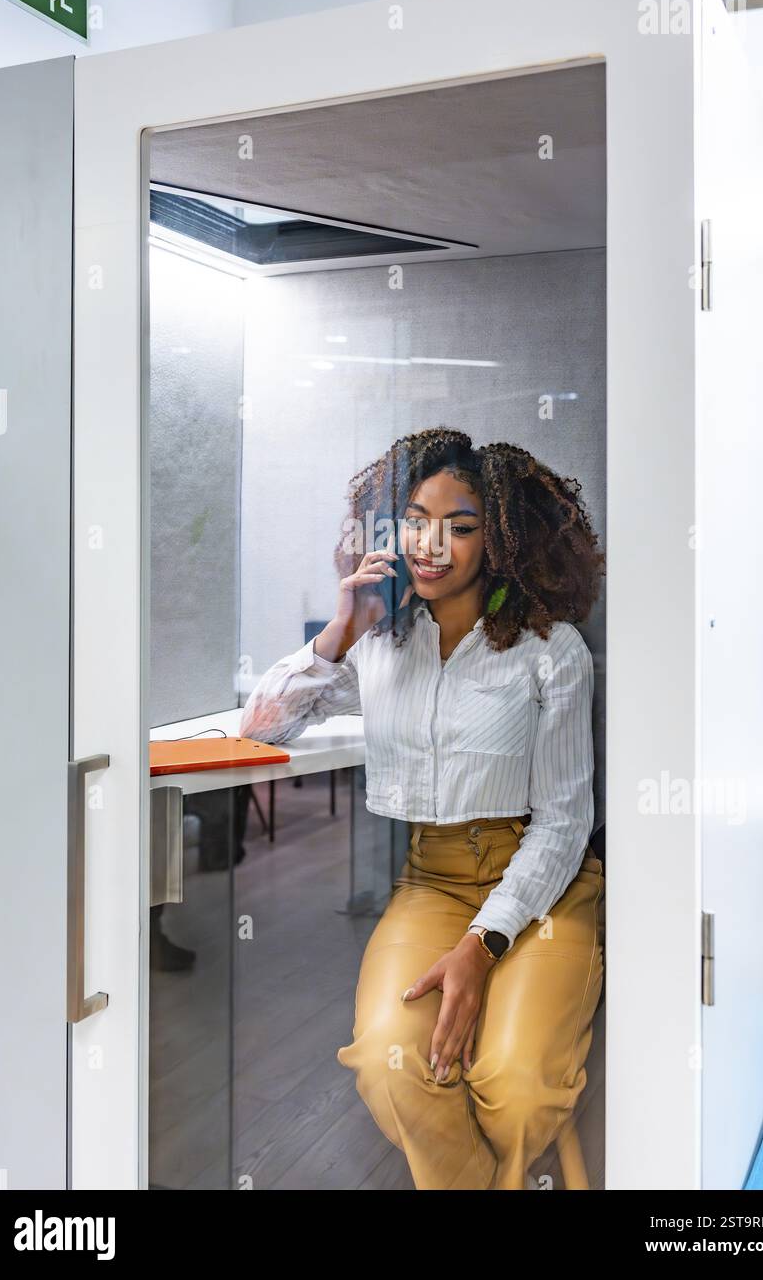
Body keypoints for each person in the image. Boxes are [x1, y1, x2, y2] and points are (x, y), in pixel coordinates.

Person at [240, 426, 606, 1190]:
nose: (430, 545)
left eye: (460, 526)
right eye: (415, 519)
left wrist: (483, 946)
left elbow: (566, 823)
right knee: (389, 1060)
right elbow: (260, 725)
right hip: (431, 880)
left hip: (541, 887)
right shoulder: (381, 641)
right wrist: (341, 631)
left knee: (516, 1085)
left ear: (500, 540)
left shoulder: (550, 650)